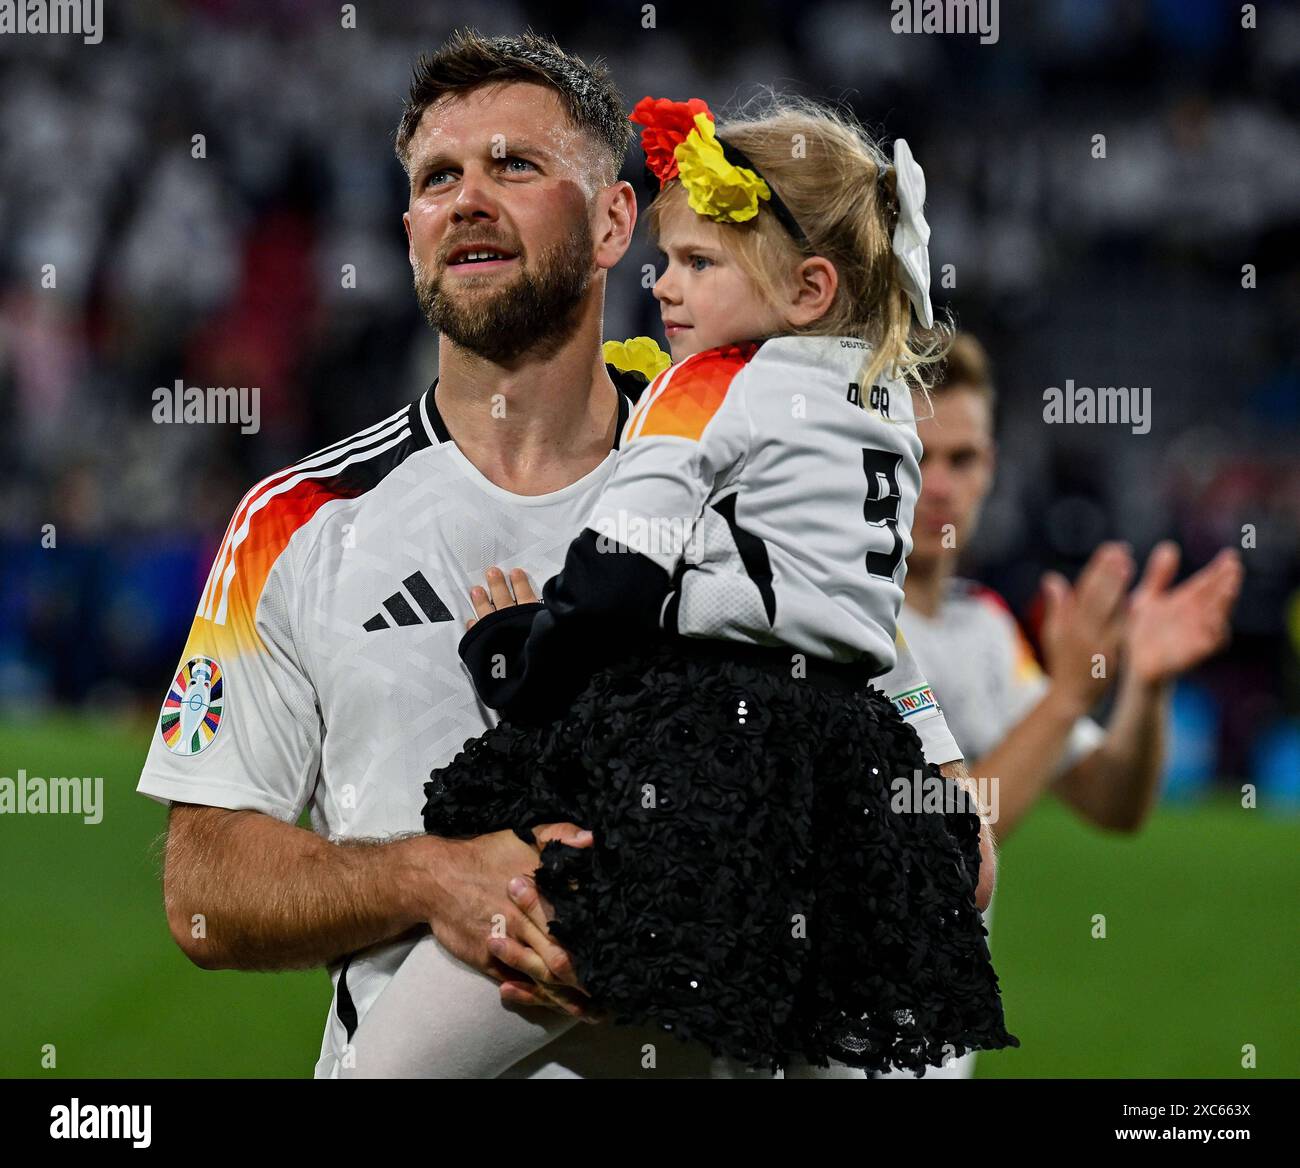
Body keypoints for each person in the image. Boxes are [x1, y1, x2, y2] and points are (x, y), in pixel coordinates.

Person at [137, 30, 974, 1081]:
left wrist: (664, 926)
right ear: (408, 231)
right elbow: (204, 890)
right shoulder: (297, 519)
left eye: (515, 166)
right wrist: (432, 879)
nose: (467, 199)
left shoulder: (768, 490)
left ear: (618, 219)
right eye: (438, 177)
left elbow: (944, 838)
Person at [342, 94, 1014, 1077]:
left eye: (698, 263)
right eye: (667, 260)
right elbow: (856, 628)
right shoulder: (881, 409)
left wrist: (518, 660)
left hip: (700, 784)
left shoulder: (706, 388)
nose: (662, 287)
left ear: (807, 287)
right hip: (846, 793)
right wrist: (941, 774)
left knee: (390, 1069)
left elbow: (614, 587)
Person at [877, 332, 1244, 1079]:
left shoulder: (983, 626)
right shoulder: (843, 622)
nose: (940, 484)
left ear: (993, 473)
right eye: (918, 454)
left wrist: (1145, 685)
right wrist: (1072, 691)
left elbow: (1112, 798)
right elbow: (934, 843)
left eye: (964, 459)